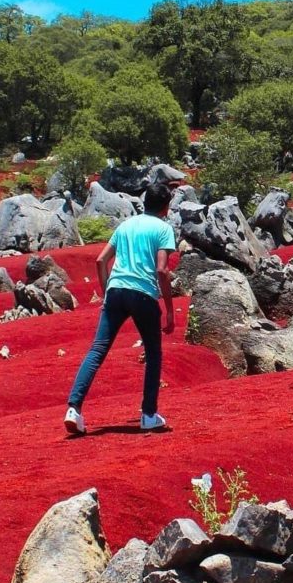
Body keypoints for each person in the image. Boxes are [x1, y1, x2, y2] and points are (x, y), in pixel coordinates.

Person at [64, 182, 176, 434]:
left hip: (115, 291)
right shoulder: (163, 228)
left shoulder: (126, 225)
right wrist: (169, 309)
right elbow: (161, 270)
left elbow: (101, 260)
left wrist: (106, 293)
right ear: (166, 207)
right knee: (153, 354)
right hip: (143, 294)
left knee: (97, 350)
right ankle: (148, 414)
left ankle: (74, 408)